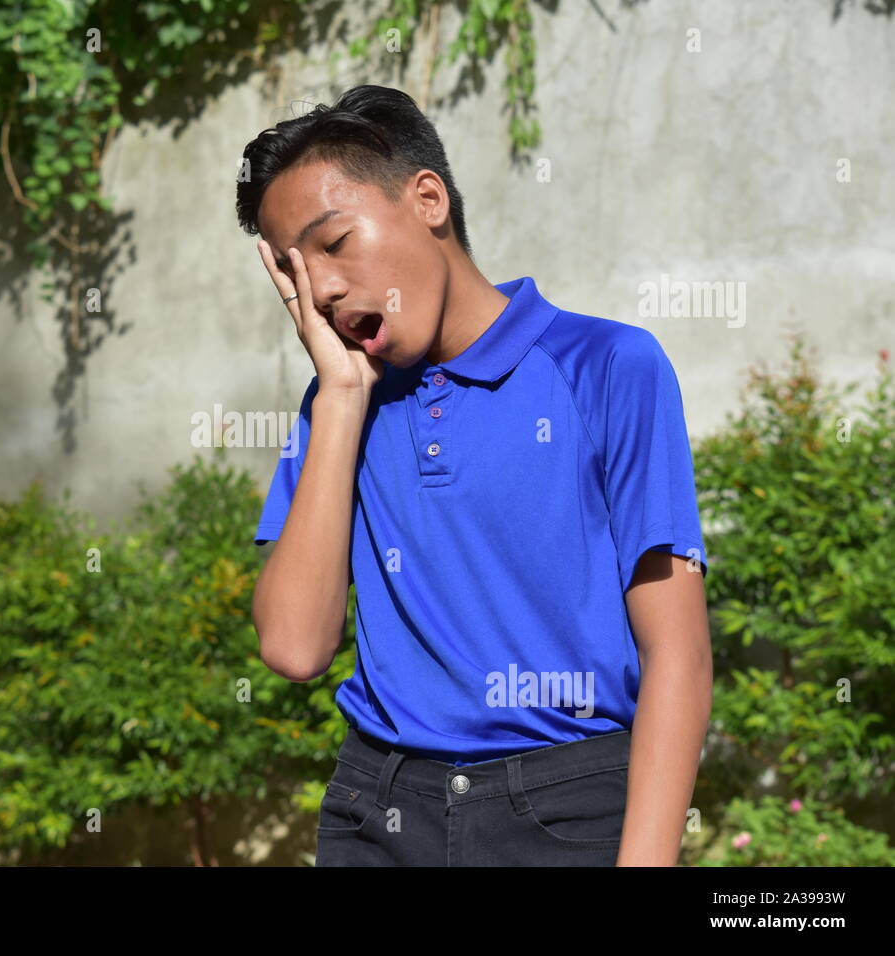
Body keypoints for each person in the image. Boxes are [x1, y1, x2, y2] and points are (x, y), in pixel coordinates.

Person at [237, 85, 712, 866]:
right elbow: (293, 647)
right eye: (295, 270)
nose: (320, 288)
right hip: (377, 810)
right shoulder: (339, 403)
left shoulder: (608, 368)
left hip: (570, 812)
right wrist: (345, 401)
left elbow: (680, 657)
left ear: (428, 199)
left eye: (334, 243)